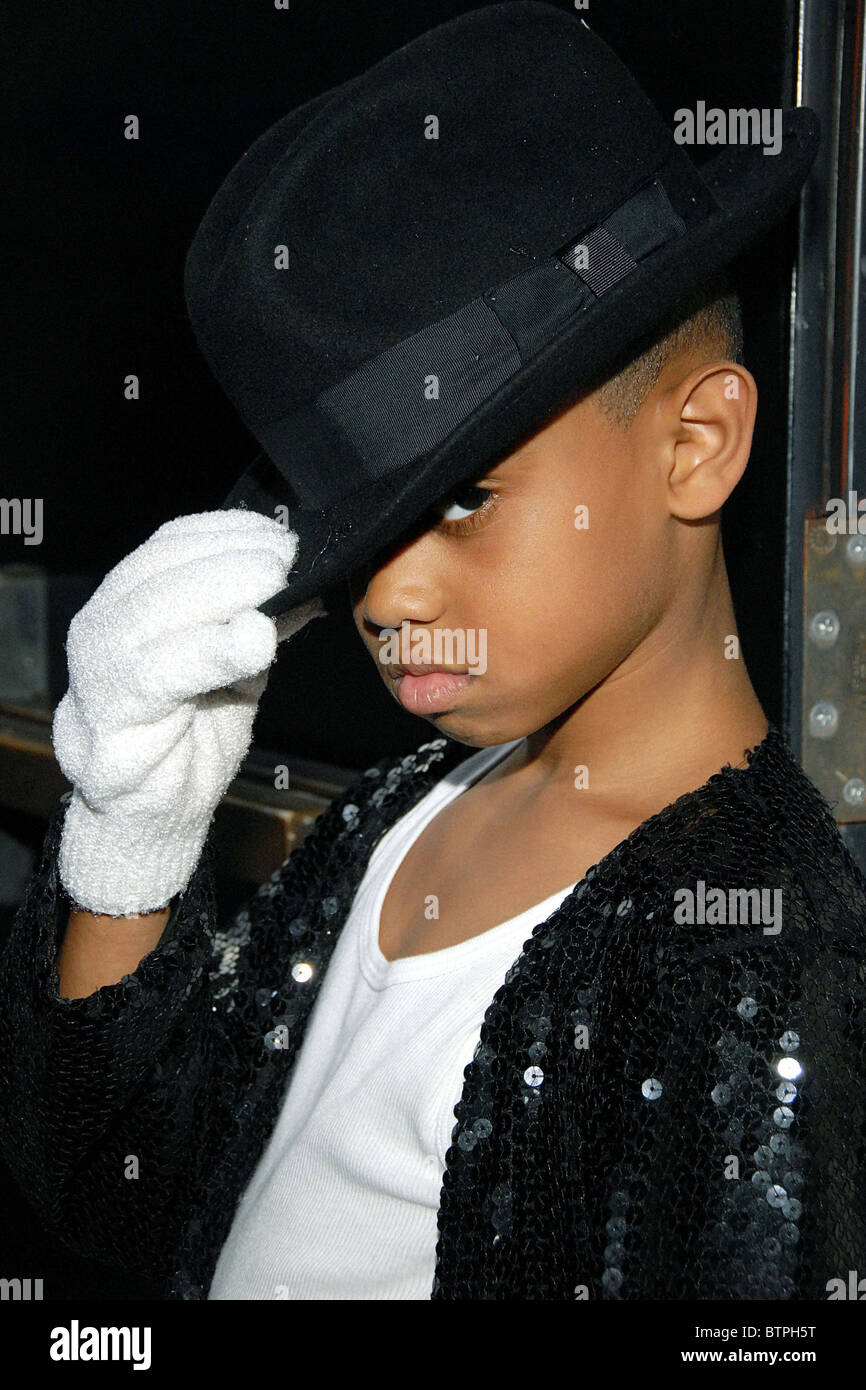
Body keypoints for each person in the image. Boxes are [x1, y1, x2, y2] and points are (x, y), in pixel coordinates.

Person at [1, 3, 864, 1301]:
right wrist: (130, 840)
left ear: (694, 444)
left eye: (461, 499)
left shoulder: (744, 964)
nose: (389, 589)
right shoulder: (402, 811)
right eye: (361, 526)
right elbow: (119, 1200)